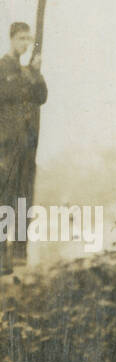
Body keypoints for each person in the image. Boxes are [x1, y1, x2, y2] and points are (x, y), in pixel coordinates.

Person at [0, 23, 47, 274]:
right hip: (5, 147)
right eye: (20, 38)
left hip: (27, 147)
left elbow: (42, 97)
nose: (25, 44)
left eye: (28, 39)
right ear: (11, 39)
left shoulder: (29, 72)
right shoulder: (2, 67)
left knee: (24, 198)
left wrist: (36, 74)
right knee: (4, 200)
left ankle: (20, 253)